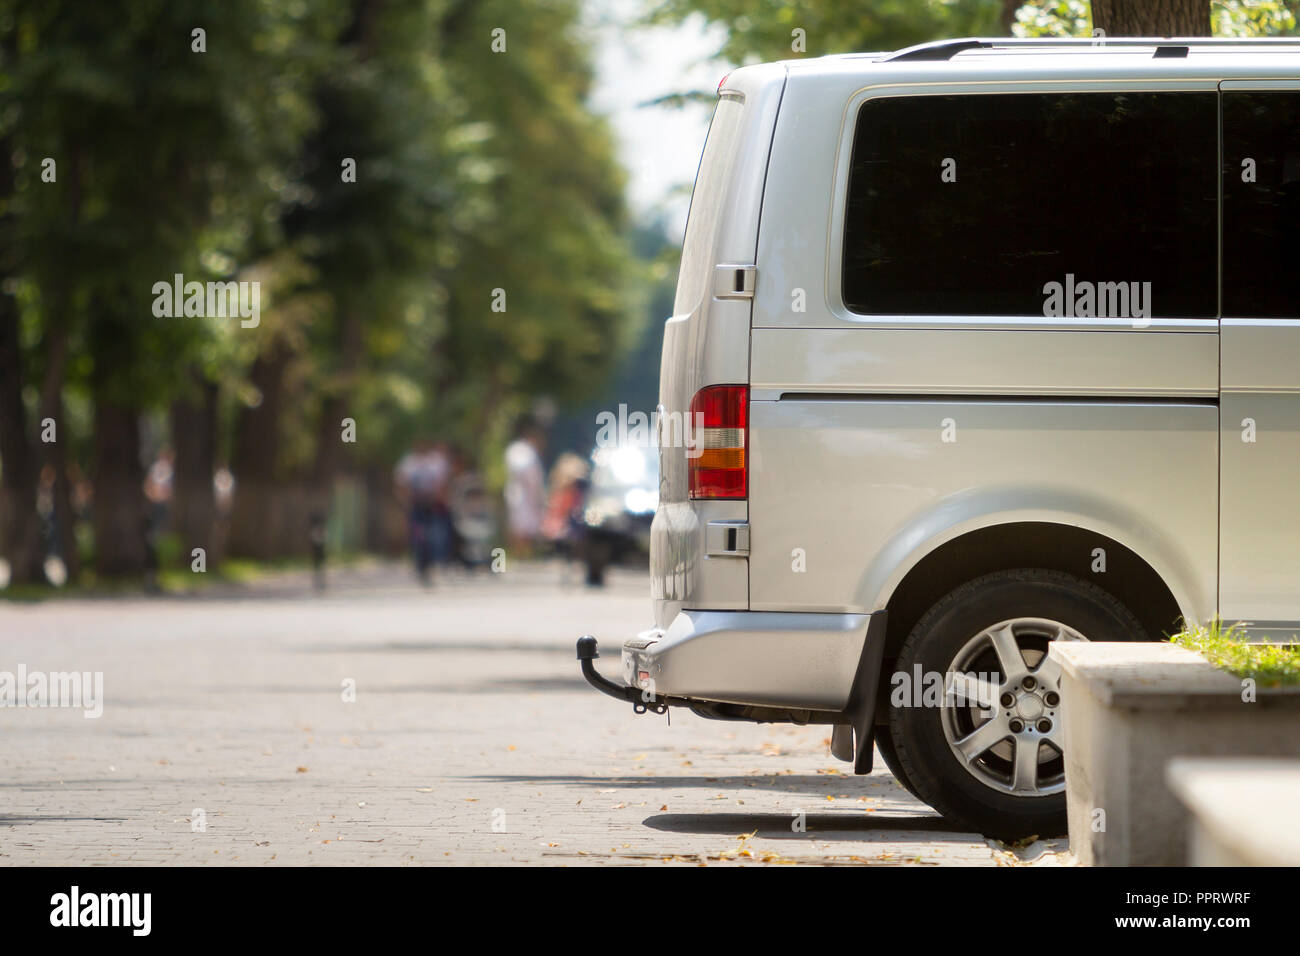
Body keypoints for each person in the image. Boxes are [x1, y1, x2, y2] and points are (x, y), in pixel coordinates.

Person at [394, 439, 451, 585]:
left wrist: (438, 498)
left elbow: (442, 484)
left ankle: (433, 564)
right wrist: (406, 502)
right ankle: (420, 565)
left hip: (433, 506)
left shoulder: (434, 463)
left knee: (435, 537)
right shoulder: (409, 463)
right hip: (416, 505)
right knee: (419, 536)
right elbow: (401, 484)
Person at [503, 419, 545, 557]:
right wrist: (536, 495)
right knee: (521, 526)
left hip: (516, 492)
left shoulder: (516, 450)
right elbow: (528, 476)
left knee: (523, 526)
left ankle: (522, 554)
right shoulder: (525, 451)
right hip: (523, 493)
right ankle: (519, 554)